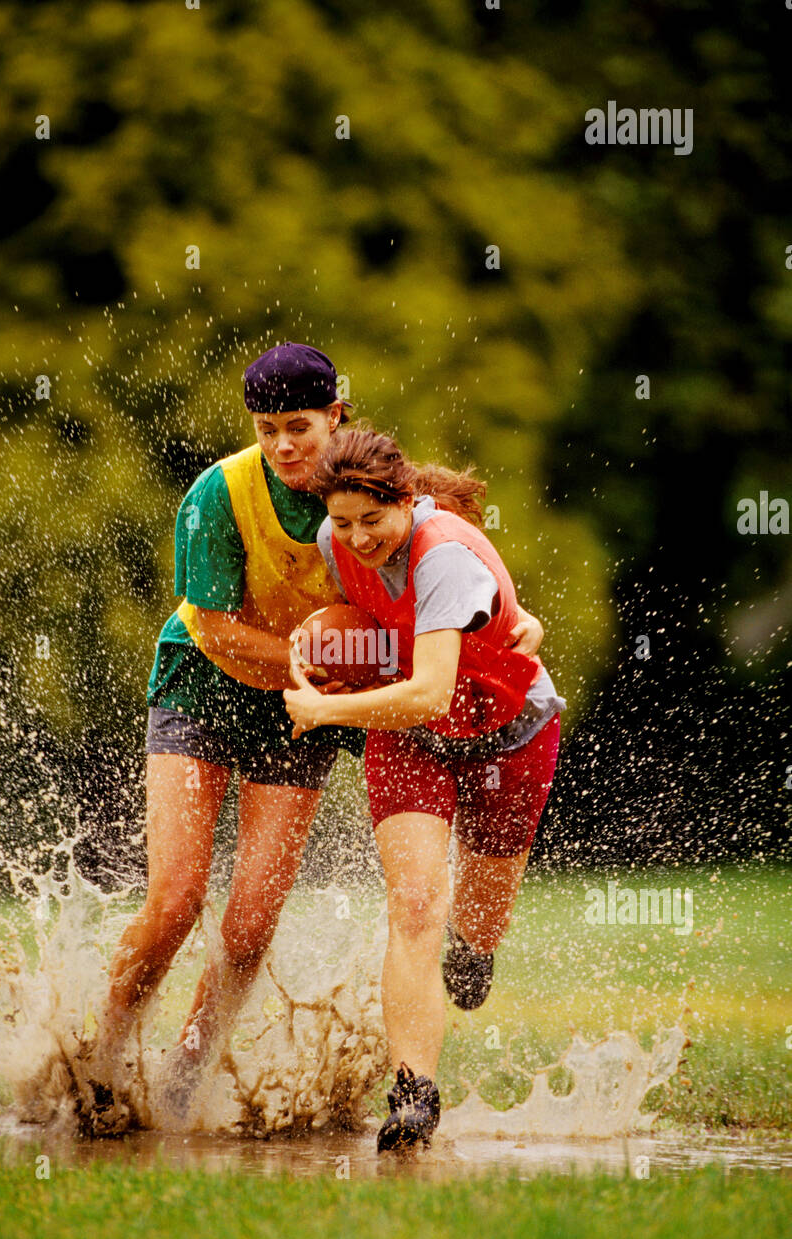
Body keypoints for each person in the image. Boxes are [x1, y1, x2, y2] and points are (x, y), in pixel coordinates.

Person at [83, 348, 544, 1133]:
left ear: (336, 416)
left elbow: (453, 544)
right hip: (205, 685)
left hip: (305, 707)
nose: (283, 447)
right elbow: (221, 635)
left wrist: (516, 618)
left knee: (251, 922)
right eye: (266, 431)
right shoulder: (217, 496)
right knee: (174, 900)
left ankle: (179, 1082)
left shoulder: (363, 489)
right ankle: (97, 1065)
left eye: (297, 427)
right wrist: (310, 669)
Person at [284, 427, 564, 1153]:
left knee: (473, 935)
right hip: (411, 737)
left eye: (372, 520)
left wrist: (324, 710)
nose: (356, 537)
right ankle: (413, 1097)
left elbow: (432, 690)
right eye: (343, 522)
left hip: (508, 732)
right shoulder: (333, 539)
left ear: (405, 501)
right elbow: (376, 638)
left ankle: (472, 949)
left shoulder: (444, 556)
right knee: (412, 903)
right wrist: (332, 656)